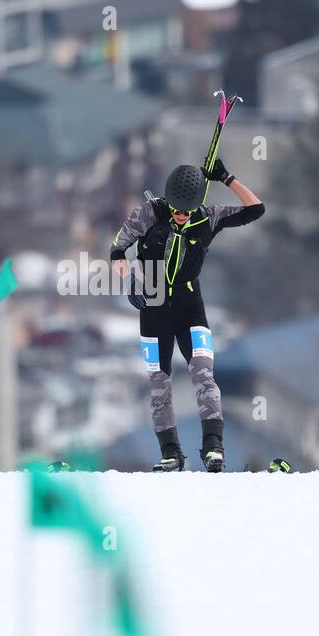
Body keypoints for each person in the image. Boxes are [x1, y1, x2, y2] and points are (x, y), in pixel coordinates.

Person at [110, 158, 265, 471]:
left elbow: (256, 210)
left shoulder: (208, 218)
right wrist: (129, 279)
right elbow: (117, 249)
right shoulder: (147, 214)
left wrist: (227, 177)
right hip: (152, 305)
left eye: (186, 211)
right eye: (175, 210)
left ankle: (213, 447)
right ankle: (170, 452)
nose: (180, 217)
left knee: (203, 374)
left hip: (190, 306)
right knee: (158, 383)